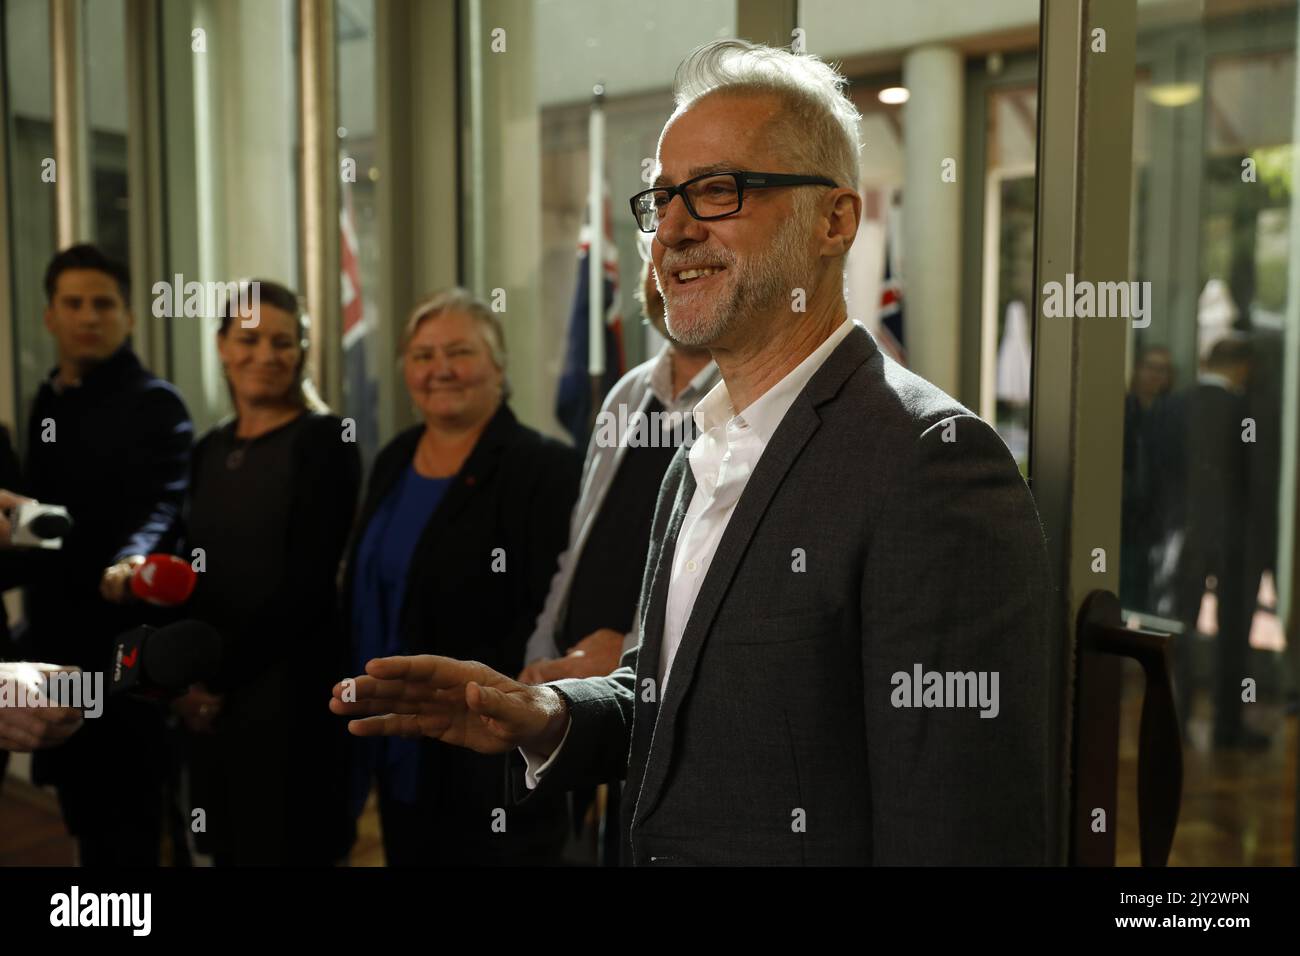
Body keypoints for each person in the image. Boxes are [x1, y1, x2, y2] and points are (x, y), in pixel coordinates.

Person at [333, 40, 1054, 866]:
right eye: (664, 197)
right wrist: (551, 717)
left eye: (717, 190)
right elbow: (665, 699)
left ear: (835, 220)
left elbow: (959, 831)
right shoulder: (695, 454)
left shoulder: (932, 465)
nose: (671, 229)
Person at [342, 288, 580, 866]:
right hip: (401, 748)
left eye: (459, 352)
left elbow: (556, 616)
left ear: (498, 367)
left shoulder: (543, 468)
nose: (440, 370)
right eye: (422, 356)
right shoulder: (395, 457)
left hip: (489, 757)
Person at [150, 280, 361, 864]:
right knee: (223, 846)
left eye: (282, 341)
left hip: (287, 691)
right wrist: (186, 682)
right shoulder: (207, 449)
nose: (266, 355)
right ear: (221, 345)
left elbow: (308, 585)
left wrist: (214, 681)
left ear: (301, 352)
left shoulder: (325, 441)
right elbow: (197, 576)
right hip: (208, 695)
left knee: (288, 846)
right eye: (249, 338)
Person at [518, 255, 717, 864]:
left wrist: (630, 654)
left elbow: (718, 575)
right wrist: (540, 654)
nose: (672, 266)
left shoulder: (747, 401)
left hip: (654, 694)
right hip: (572, 685)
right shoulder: (626, 396)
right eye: (659, 251)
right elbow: (580, 547)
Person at [0, 244, 192, 865]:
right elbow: (45, 526)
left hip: (123, 652)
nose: (89, 316)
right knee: (84, 809)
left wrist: (129, 564)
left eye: (104, 303)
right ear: (50, 316)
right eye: (73, 303)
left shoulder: (155, 401)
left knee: (128, 815)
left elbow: (165, 506)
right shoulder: (49, 400)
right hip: (55, 646)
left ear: (130, 317)